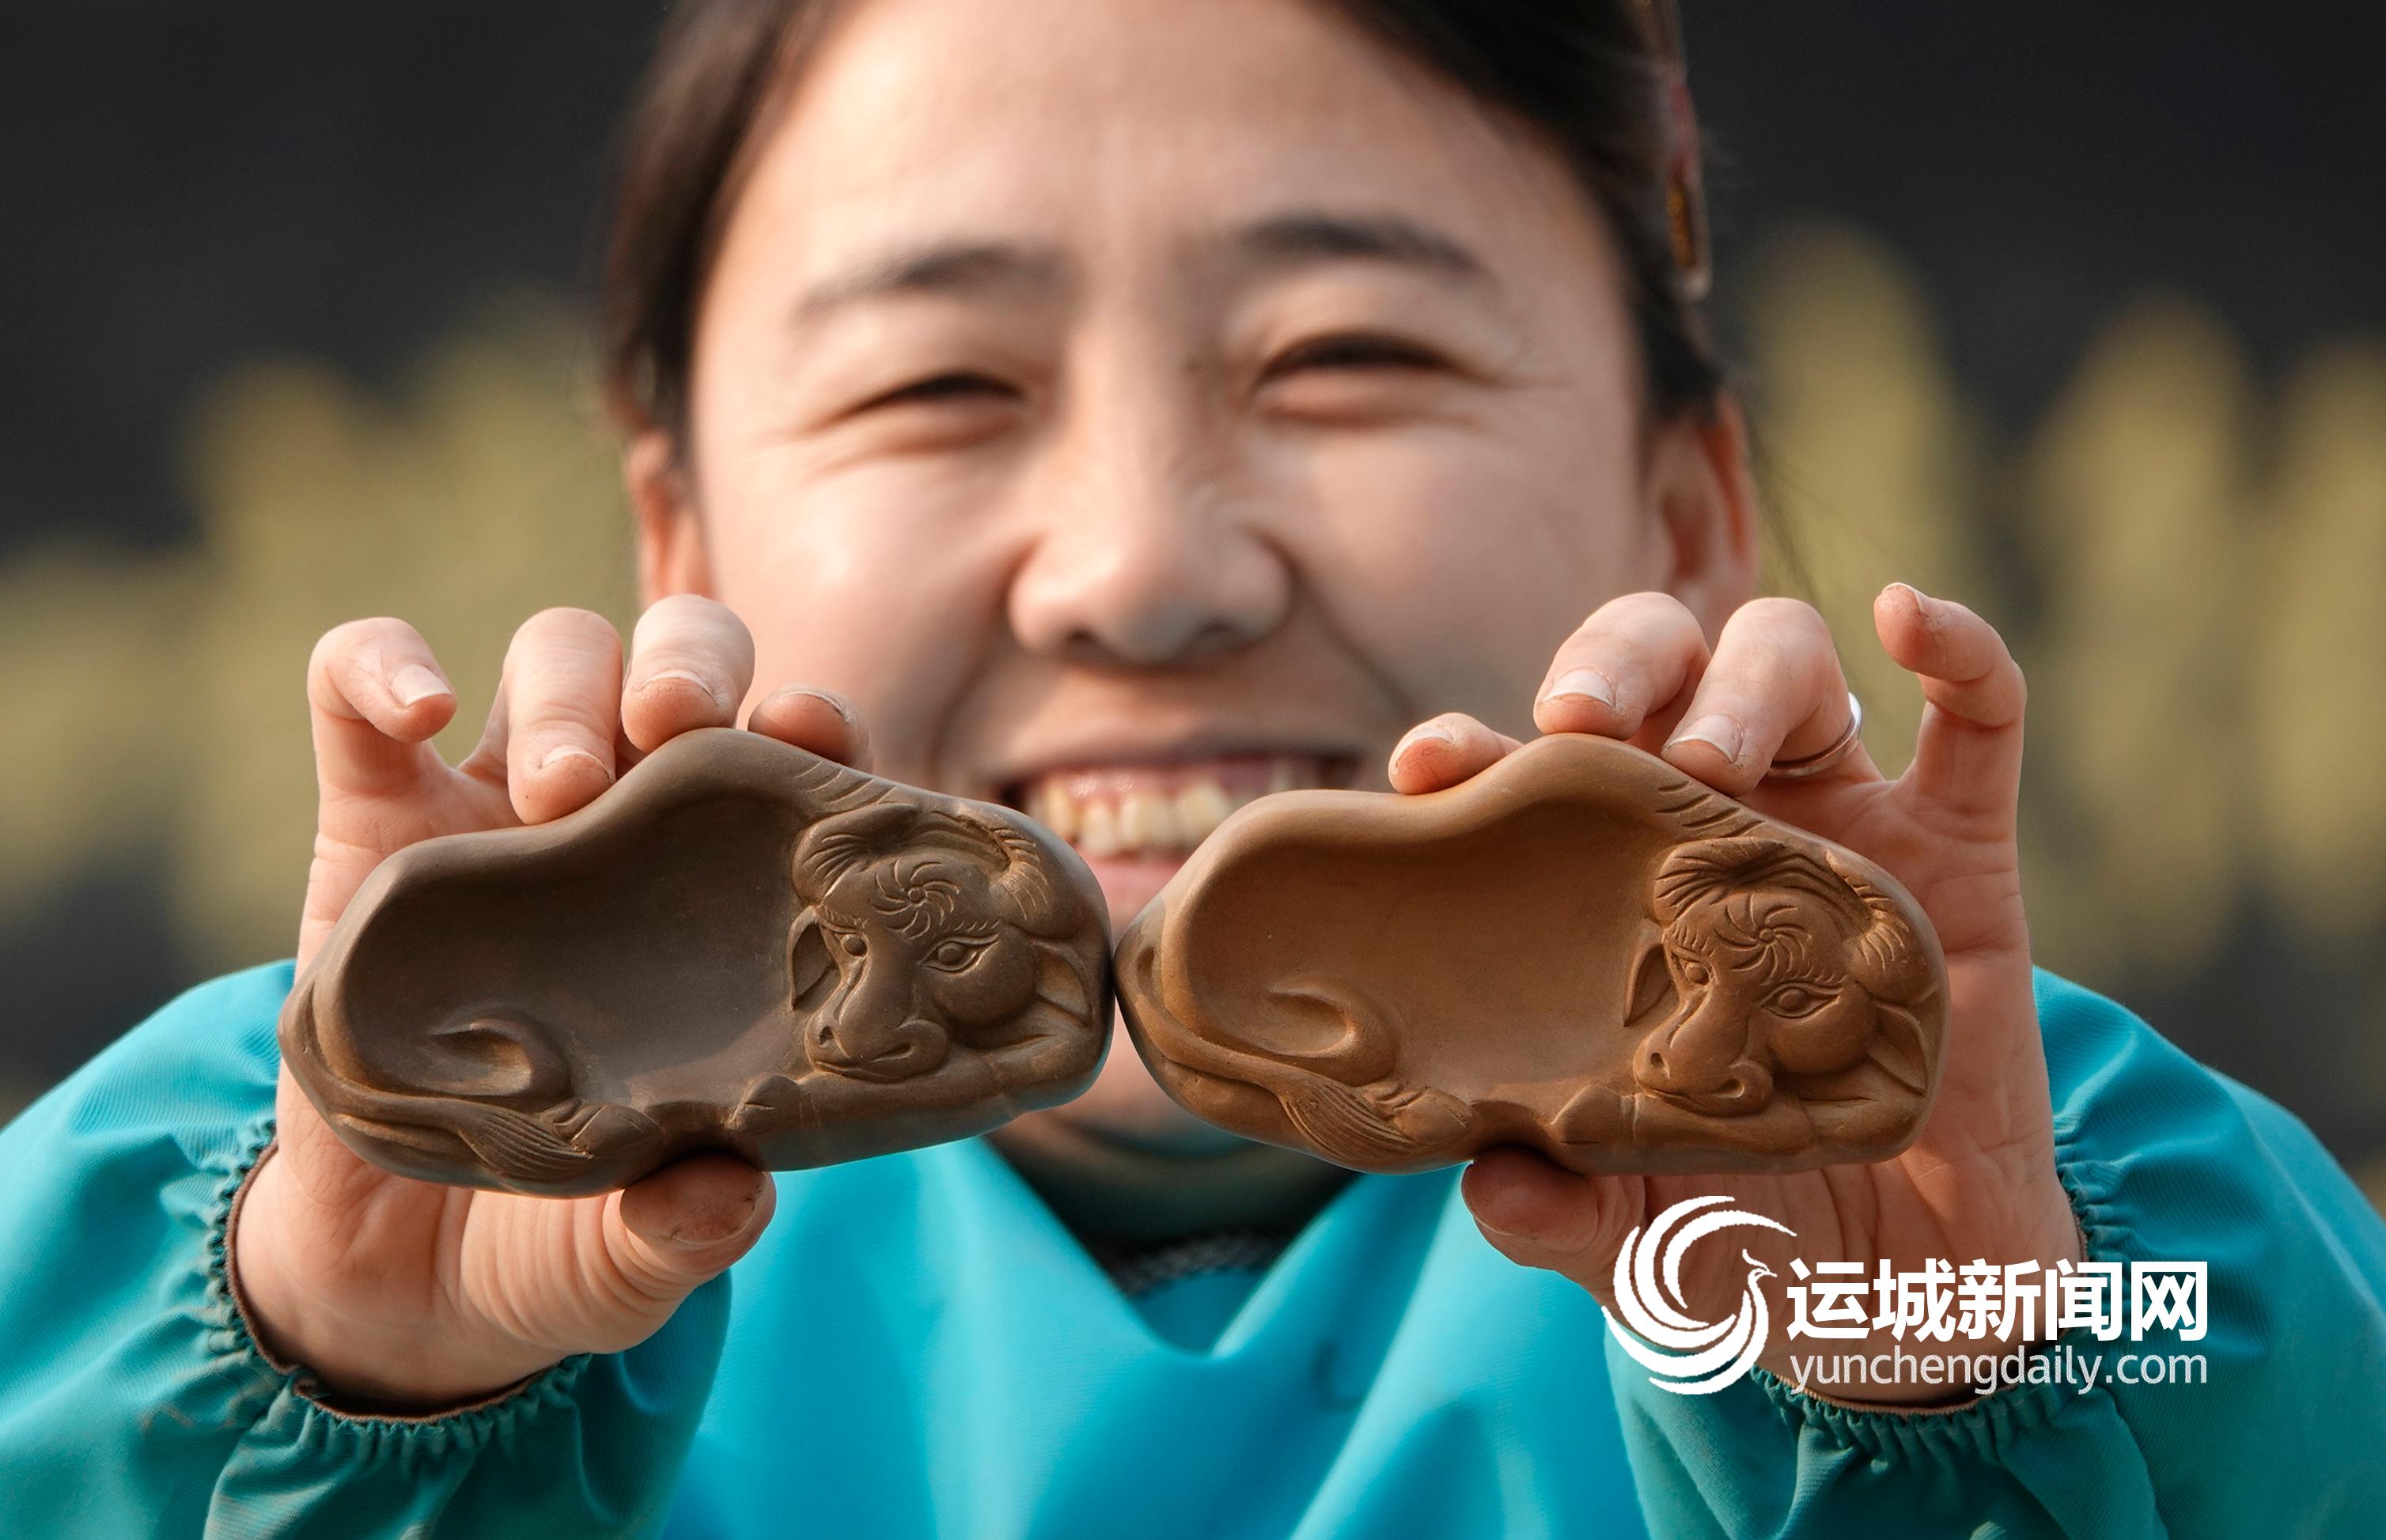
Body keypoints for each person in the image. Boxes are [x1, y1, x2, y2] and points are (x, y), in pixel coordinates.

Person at [2, 0, 2380, 1534]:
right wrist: (334, 1399)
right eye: (941, 385)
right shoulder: (291, 1202)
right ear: (679, 530)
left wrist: (1964, 1356)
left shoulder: (2043, 1175)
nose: (1144, 568)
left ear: (1687, 509)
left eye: (1347, 355)